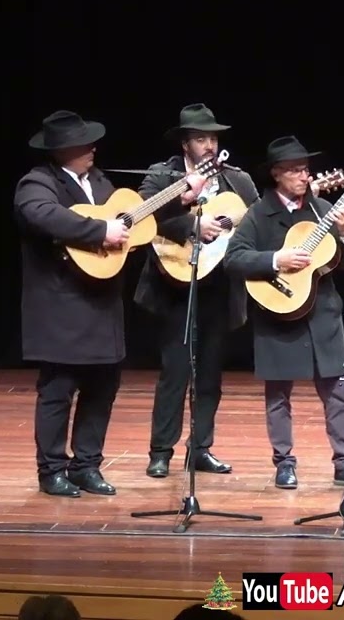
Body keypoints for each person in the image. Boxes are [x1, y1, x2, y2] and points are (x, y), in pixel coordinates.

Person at [15, 110, 185, 497]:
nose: (92, 147)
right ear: (60, 150)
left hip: (102, 304)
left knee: (102, 387)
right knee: (59, 389)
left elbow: (133, 222)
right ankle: (52, 469)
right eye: (82, 142)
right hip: (60, 306)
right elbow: (41, 216)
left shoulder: (101, 181)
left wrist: (177, 202)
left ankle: (86, 465)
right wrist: (99, 230)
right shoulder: (38, 182)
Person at [223, 136, 344, 490]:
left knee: (339, 393)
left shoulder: (322, 210)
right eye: (295, 170)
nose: (303, 176)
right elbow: (233, 259)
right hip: (277, 313)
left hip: (322, 313)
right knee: (278, 395)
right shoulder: (258, 214)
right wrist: (276, 260)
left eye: (306, 169)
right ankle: (284, 463)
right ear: (277, 174)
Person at [134, 104, 259, 478]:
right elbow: (143, 214)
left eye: (213, 138)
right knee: (175, 370)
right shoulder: (163, 175)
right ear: (186, 143)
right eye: (201, 138)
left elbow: (256, 218)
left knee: (209, 374)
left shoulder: (237, 179)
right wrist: (191, 224)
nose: (209, 144)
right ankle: (161, 451)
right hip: (176, 283)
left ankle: (200, 448)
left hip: (219, 285)